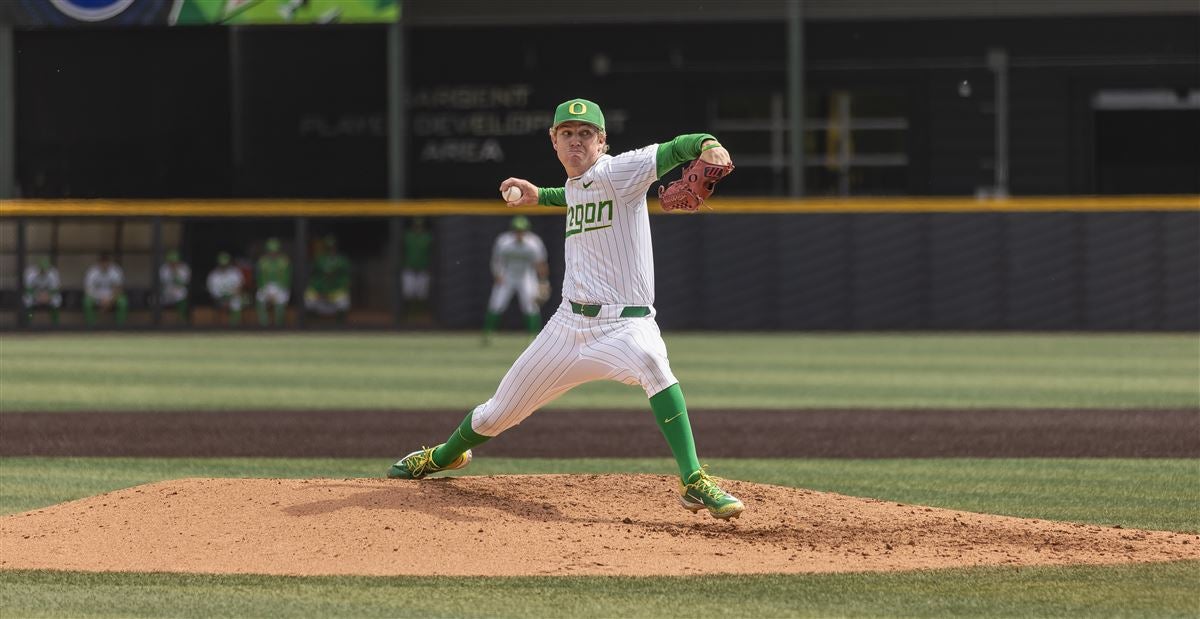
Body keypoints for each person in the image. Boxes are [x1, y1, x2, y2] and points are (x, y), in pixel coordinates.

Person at [388, 98, 744, 520]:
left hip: (624, 326)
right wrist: (540, 195)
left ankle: (693, 480)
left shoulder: (620, 170)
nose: (577, 141)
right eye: (568, 134)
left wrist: (708, 143)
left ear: (602, 141)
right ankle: (444, 456)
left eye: (586, 134)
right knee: (498, 412)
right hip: (566, 325)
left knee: (653, 363)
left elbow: (677, 147)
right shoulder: (578, 183)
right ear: (553, 141)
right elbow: (573, 195)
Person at [482, 215, 549, 344]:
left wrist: (543, 281)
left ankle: (534, 336)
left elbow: (541, 263)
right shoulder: (504, 242)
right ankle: (488, 334)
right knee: (496, 303)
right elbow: (496, 260)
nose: (519, 233)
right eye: (517, 230)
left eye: (522, 230)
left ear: (526, 230)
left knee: (531, 306)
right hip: (508, 275)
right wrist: (497, 274)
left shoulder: (534, 243)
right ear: (512, 230)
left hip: (526, 276)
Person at [305, 235, 351, 324]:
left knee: (344, 301)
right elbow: (313, 277)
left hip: (335, 293)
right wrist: (319, 291)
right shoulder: (319, 259)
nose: (331, 250)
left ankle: (341, 323)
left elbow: (346, 280)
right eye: (328, 248)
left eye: (332, 247)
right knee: (308, 297)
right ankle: (310, 323)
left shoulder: (342, 260)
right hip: (320, 293)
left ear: (336, 247)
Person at [83, 252, 129, 327]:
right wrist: (100, 300)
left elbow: (119, 289)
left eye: (106, 262)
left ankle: (120, 327)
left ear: (109, 263)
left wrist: (110, 300)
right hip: (96, 297)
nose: (104, 264)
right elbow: (88, 290)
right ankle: (91, 327)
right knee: (87, 302)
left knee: (123, 302)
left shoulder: (115, 271)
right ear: (98, 263)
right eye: (102, 262)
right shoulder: (92, 271)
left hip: (112, 297)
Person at [401, 217, 433, 320]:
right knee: (408, 294)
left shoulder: (427, 237)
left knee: (422, 295)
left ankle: (420, 316)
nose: (418, 227)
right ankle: (408, 316)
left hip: (423, 270)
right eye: (416, 225)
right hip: (409, 270)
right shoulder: (408, 236)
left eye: (420, 225)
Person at [256, 237, 291, 327]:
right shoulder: (262, 261)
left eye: (274, 252)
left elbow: (287, 279)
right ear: (267, 251)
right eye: (270, 251)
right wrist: (266, 292)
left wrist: (276, 293)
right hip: (266, 287)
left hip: (281, 287)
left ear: (278, 251)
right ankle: (264, 326)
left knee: (280, 300)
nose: (272, 254)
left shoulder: (284, 260)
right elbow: (259, 278)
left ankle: (278, 326)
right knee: (259, 297)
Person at [207, 251, 245, 326]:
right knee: (222, 303)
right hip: (219, 298)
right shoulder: (213, 275)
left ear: (229, 263)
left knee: (238, 301)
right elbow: (212, 292)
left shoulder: (235, 272)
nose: (224, 266)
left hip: (232, 297)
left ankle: (234, 326)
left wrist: (230, 296)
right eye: (222, 265)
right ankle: (220, 327)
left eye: (225, 265)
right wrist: (223, 298)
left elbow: (239, 287)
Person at [23, 256, 62, 326]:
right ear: (38, 267)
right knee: (27, 300)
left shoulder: (53, 273)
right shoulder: (31, 274)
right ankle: (28, 321)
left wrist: (48, 296)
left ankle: (55, 324)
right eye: (42, 269)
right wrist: (37, 296)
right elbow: (28, 289)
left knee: (57, 300)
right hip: (35, 295)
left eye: (45, 269)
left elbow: (55, 289)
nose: (44, 270)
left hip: (48, 296)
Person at [159, 250, 191, 324]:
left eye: (175, 262)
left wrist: (176, 273)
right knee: (154, 300)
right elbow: (164, 282)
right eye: (171, 262)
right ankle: (160, 320)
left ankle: (182, 318)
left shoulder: (184, 268)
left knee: (183, 294)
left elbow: (184, 282)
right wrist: (172, 273)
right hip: (167, 290)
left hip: (179, 290)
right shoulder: (164, 269)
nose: (173, 264)